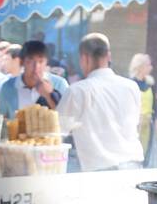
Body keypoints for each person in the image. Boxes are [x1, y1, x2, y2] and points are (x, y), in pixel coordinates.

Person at [55, 33, 144, 171]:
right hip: (134, 167)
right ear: (109, 56)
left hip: (99, 172)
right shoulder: (131, 87)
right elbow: (136, 124)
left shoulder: (77, 91)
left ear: (84, 58)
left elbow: (57, 130)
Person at [0, 39, 68, 118]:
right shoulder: (7, 86)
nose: (36, 67)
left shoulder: (59, 84)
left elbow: (67, 117)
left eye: (41, 61)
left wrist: (49, 96)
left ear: (46, 63)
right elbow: (4, 119)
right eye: (30, 61)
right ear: (22, 62)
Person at [128, 53, 157, 163]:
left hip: (148, 125)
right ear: (140, 66)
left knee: (146, 153)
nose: (151, 67)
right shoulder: (130, 84)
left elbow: (154, 105)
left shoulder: (150, 84)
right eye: (148, 65)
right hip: (134, 125)